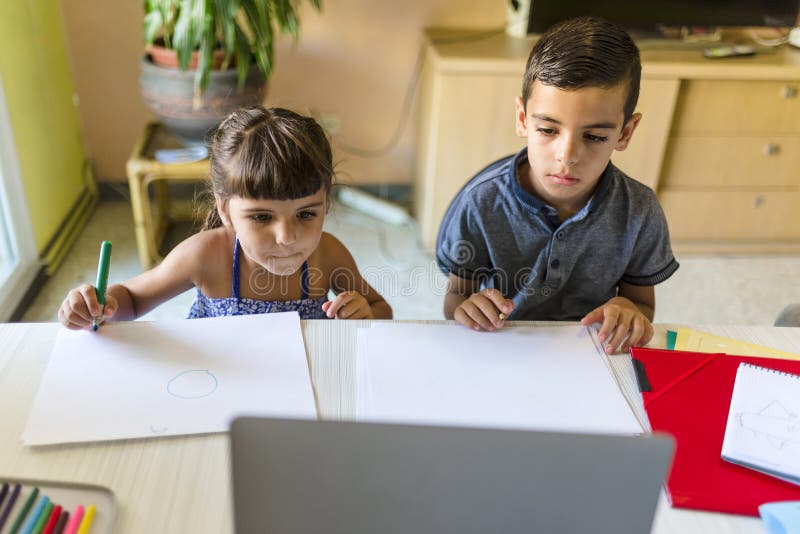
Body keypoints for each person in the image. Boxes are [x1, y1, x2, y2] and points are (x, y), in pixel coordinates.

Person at [437, 17, 678, 353]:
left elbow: (642, 305)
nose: (567, 156)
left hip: (590, 352)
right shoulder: (480, 202)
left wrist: (629, 312)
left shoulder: (640, 211)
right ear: (523, 119)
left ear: (625, 133)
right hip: (500, 346)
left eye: (594, 136)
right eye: (548, 130)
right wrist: (467, 308)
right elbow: (455, 298)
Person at [59, 106, 392, 329]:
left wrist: (365, 313)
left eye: (306, 213)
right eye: (262, 217)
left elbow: (381, 308)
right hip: (217, 389)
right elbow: (132, 299)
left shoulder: (329, 255)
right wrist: (94, 305)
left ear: (326, 203)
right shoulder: (204, 255)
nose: (287, 236)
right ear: (225, 210)